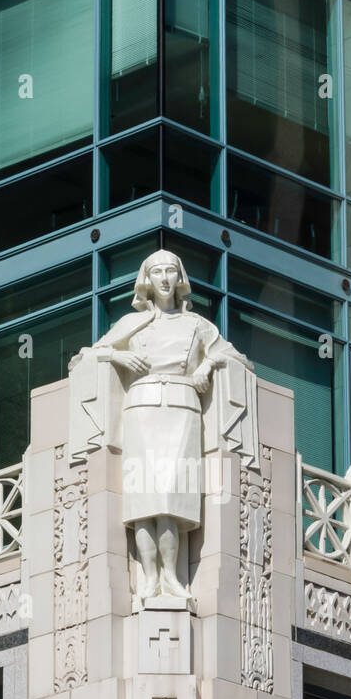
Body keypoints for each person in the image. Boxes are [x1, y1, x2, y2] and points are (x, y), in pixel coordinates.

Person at [68, 250, 256, 602]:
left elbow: (236, 357)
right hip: (141, 408)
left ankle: (171, 576)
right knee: (143, 500)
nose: (165, 278)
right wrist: (118, 355)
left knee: (173, 498)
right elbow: (84, 357)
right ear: (147, 280)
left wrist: (206, 366)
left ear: (180, 277)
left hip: (183, 409)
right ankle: (149, 579)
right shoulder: (131, 324)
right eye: (158, 272)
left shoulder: (198, 326)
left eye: (172, 270)